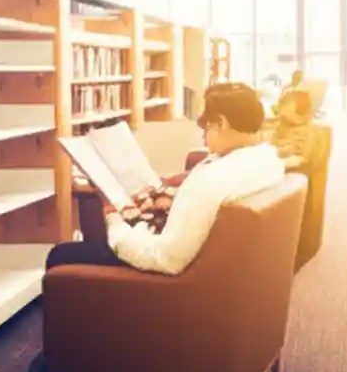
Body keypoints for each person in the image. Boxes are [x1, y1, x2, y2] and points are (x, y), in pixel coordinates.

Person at [45, 82, 285, 274]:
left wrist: (114, 221)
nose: (202, 135)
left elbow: (166, 259)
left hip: (159, 269)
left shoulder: (214, 178)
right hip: (177, 237)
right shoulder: (266, 159)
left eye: (205, 126)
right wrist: (167, 193)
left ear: (221, 122)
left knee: (61, 255)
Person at [270, 88, 314, 169]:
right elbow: (274, 140)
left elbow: (302, 158)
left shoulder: (304, 131)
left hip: (292, 164)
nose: (281, 114)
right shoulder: (282, 123)